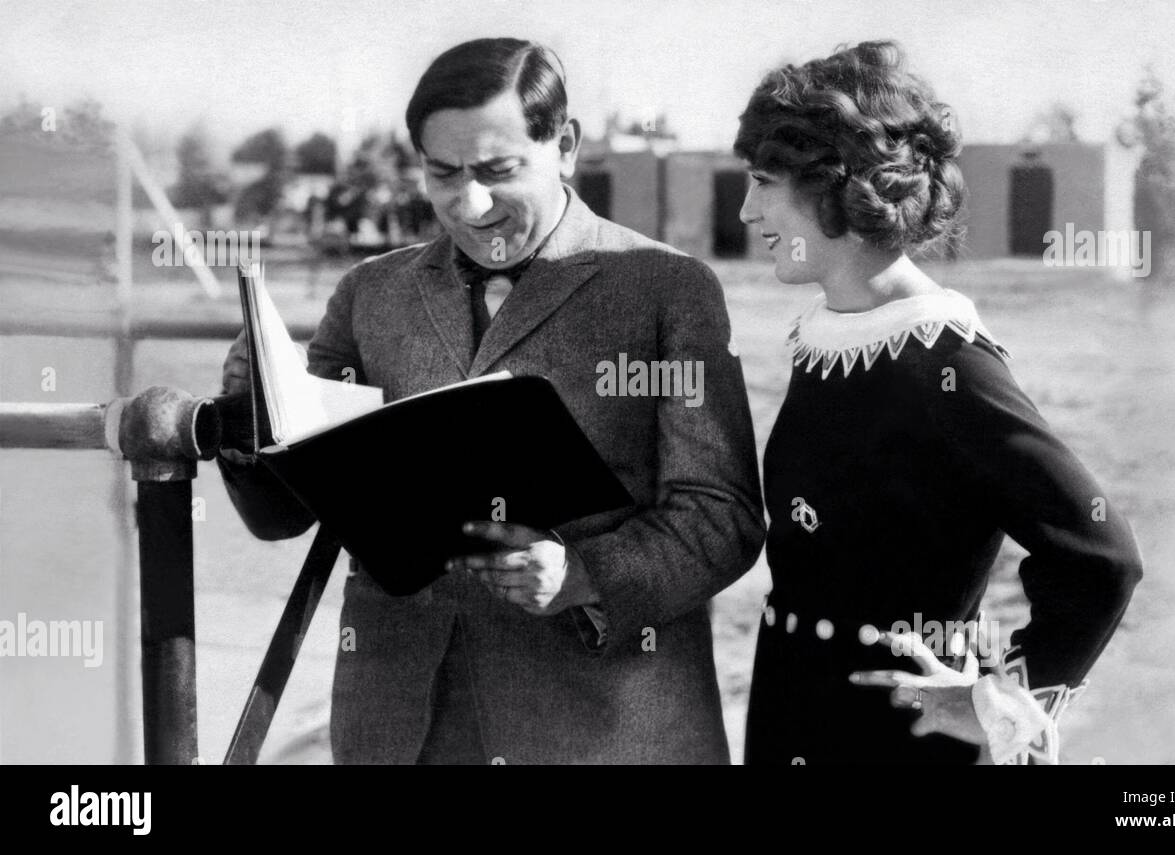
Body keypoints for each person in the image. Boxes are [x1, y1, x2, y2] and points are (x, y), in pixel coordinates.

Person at [219, 37, 765, 764]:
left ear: (565, 146)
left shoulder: (667, 290)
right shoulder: (370, 294)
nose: (470, 204)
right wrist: (246, 411)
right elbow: (283, 509)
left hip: (598, 731)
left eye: (498, 171)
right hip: (403, 726)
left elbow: (721, 515)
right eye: (442, 173)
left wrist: (582, 575)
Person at [734, 40, 1143, 764]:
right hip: (790, 725)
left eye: (764, 182)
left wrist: (1000, 702)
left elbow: (1099, 555)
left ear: (837, 187)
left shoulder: (947, 361)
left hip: (896, 745)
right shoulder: (825, 339)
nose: (744, 209)